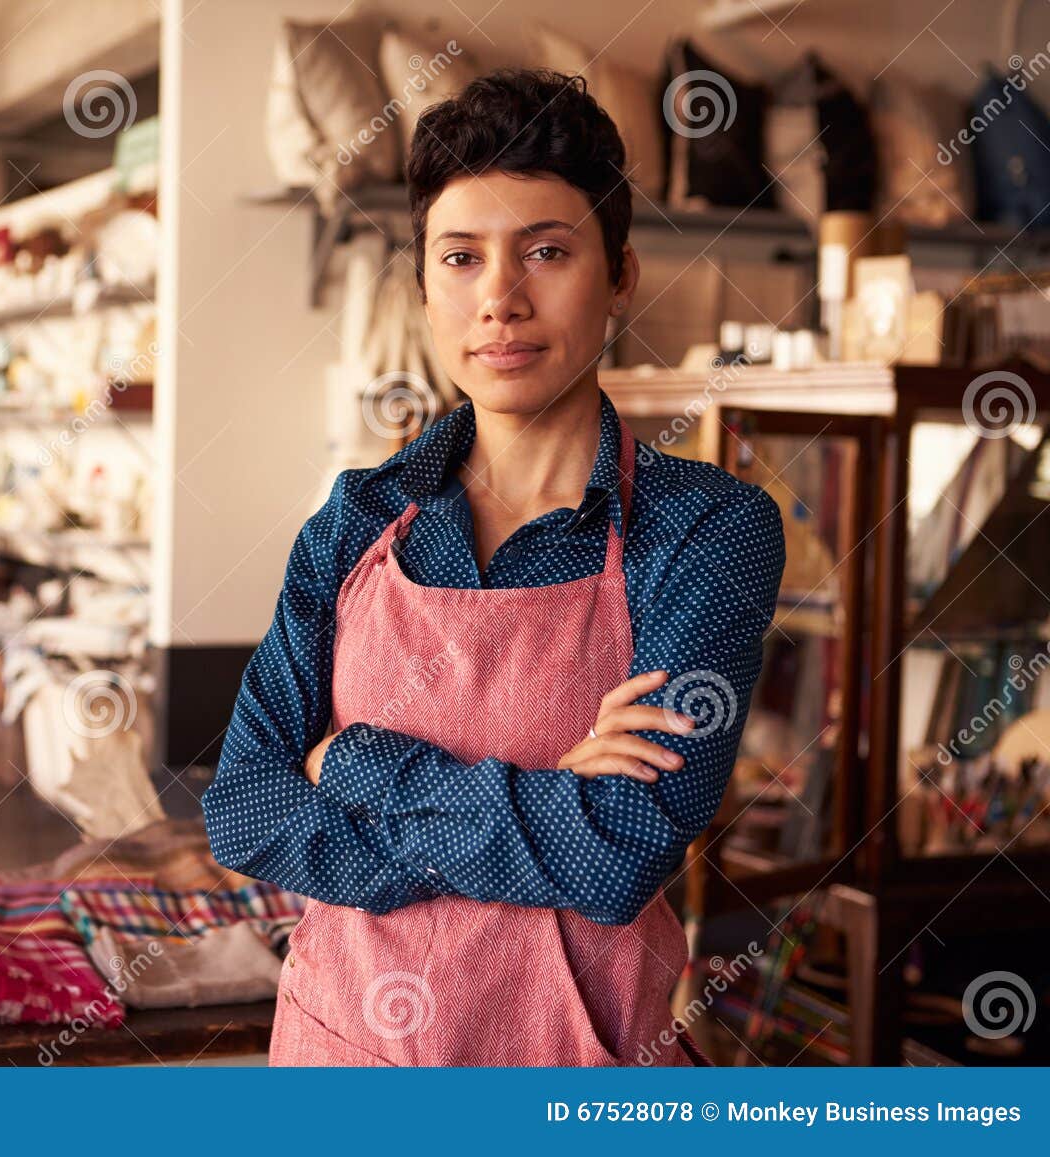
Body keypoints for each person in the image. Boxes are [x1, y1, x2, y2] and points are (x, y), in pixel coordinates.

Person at [202, 68, 786, 1066]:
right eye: (461, 257)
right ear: (425, 285)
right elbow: (245, 804)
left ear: (619, 275)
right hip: (342, 1061)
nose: (500, 300)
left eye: (546, 252)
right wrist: (550, 789)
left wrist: (351, 762)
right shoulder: (355, 521)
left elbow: (621, 849)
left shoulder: (706, 529)